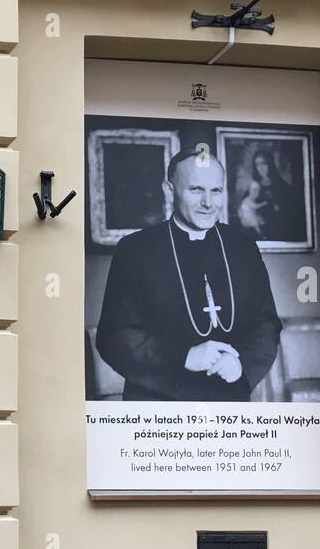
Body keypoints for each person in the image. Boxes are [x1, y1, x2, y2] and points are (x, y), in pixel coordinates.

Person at [95, 148, 282, 402]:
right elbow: (114, 336)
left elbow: (266, 322)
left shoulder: (243, 247)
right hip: (158, 405)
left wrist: (243, 365)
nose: (208, 203)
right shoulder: (135, 250)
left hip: (228, 398)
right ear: (169, 190)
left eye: (216, 191)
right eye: (196, 190)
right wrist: (184, 357)